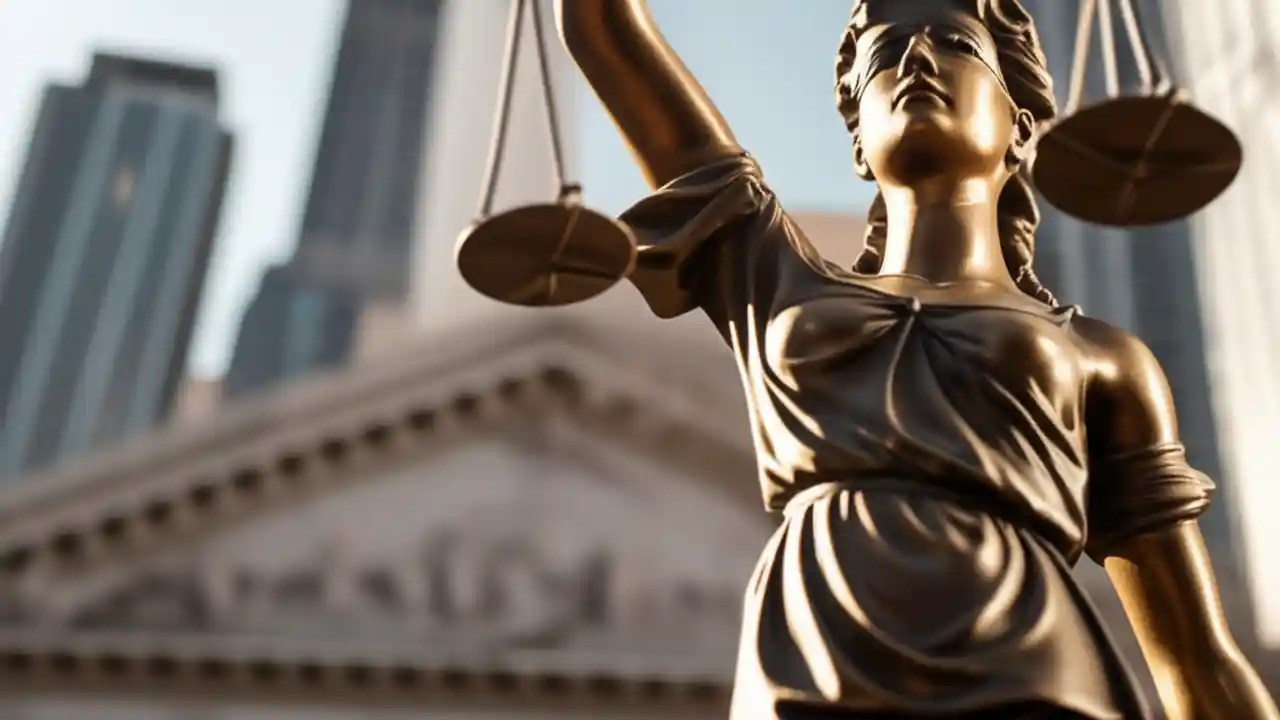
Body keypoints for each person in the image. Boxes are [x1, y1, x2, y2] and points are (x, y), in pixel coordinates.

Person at [555, 0, 1279, 717]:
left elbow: (1196, 655)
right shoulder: (769, 276)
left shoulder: (1100, 355)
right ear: (856, 141)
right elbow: (602, 26)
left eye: (955, 45)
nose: (916, 61)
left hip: (1035, 679)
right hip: (813, 673)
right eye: (884, 57)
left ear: (1021, 129)